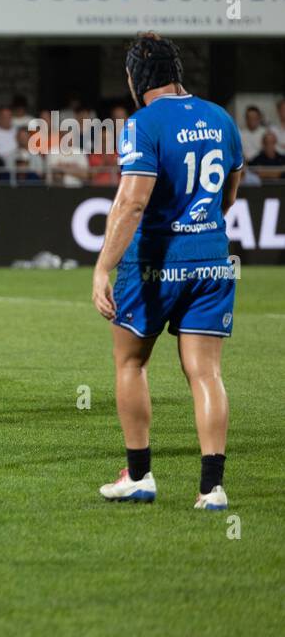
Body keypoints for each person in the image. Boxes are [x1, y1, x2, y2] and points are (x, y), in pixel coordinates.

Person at [92, 33, 242, 510]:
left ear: (135, 77)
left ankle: (139, 476)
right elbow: (230, 195)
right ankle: (211, 488)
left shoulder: (143, 123)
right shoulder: (220, 118)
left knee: (131, 362)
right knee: (205, 372)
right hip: (212, 259)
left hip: (156, 263)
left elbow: (133, 200)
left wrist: (102, 267)